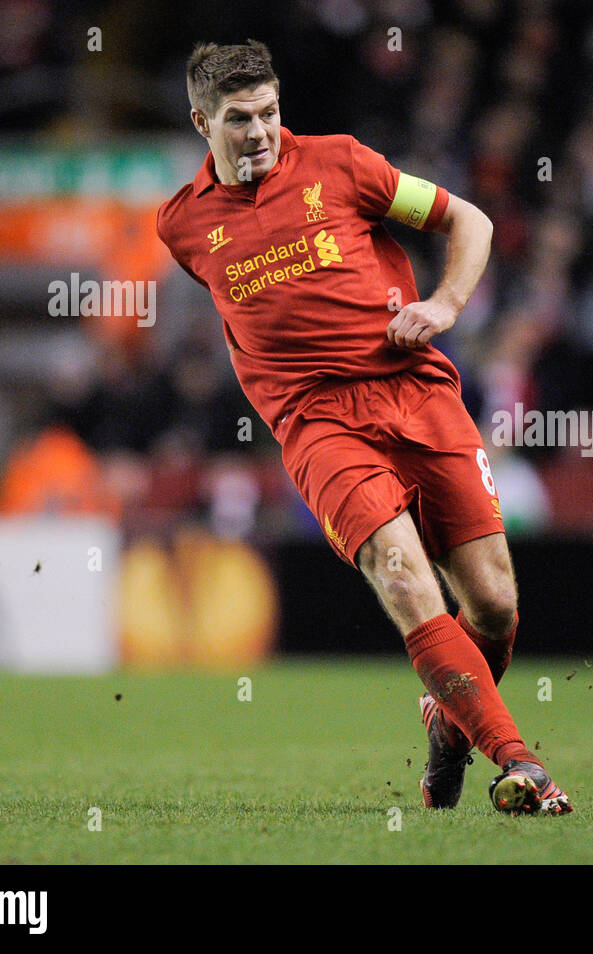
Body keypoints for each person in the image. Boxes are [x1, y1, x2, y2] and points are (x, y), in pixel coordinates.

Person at [156, 40, 570, 815]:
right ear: (200, 122)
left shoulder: (344, 165)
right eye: (239, 119)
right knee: (404, 576)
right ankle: (520, 764)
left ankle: (446, 729)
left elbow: (468, 220)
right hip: (317, 424)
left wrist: (444, 306)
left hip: (416, 392)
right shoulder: (182, 227)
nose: (259, 133)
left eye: (270, 114)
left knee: (495, 607)